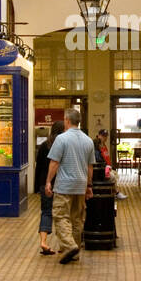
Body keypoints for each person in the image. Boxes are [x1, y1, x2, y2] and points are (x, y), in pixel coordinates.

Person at [44, 107, 94, 264]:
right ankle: (75, 253)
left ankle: (70, 245)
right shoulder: (88, 140)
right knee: (77, 219)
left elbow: (54, 162)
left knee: (60, 216)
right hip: (80, 186)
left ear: (67, 120)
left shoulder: (61, 139)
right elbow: (89, 167)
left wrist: (48, 182)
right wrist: (88, 186)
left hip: (64, 186)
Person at [33, 121, 65, 255]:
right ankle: (64, 244)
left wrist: (36, 186)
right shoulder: (63, 145)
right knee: (62, 214)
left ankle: (44, 242)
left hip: (44, 183)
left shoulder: (43, 146)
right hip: (60, 183)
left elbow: (38, 167)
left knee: (46, 212)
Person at [95, 129, 127, 199]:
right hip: (102, 169)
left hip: (107, 167)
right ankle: (116, 192)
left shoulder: (104, 145)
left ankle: (114, 192)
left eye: (106, 136)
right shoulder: (97, 146)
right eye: (103, 136)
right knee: (112, 177)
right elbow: (99, 159)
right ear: (99, 136)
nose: (105, 138)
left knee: (115, 175)